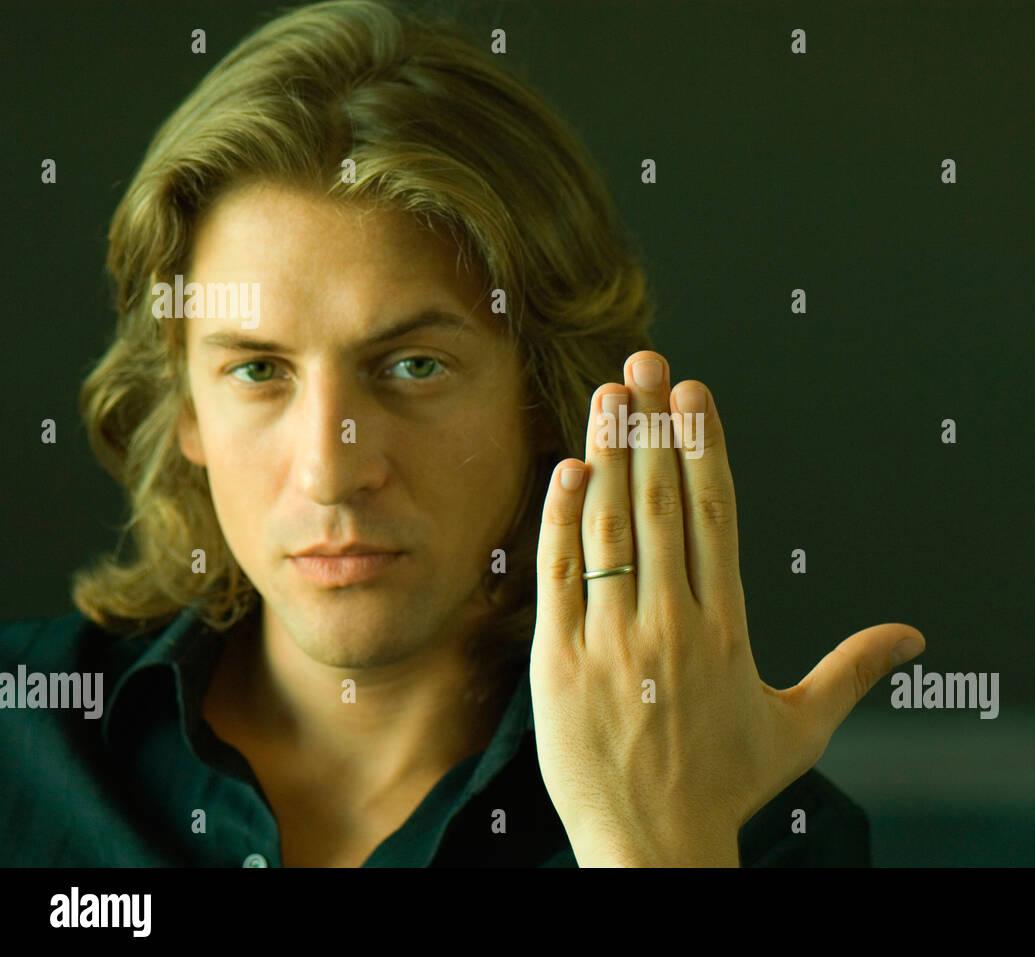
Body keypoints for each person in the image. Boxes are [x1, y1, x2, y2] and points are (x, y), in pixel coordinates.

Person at [0, 0, 924, 867]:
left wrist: (655, 844)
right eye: (257, 370)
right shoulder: (22, 739)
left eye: (413, 367)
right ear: (188, 407)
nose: (330, 471)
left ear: (545, 396)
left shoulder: (755, 834)